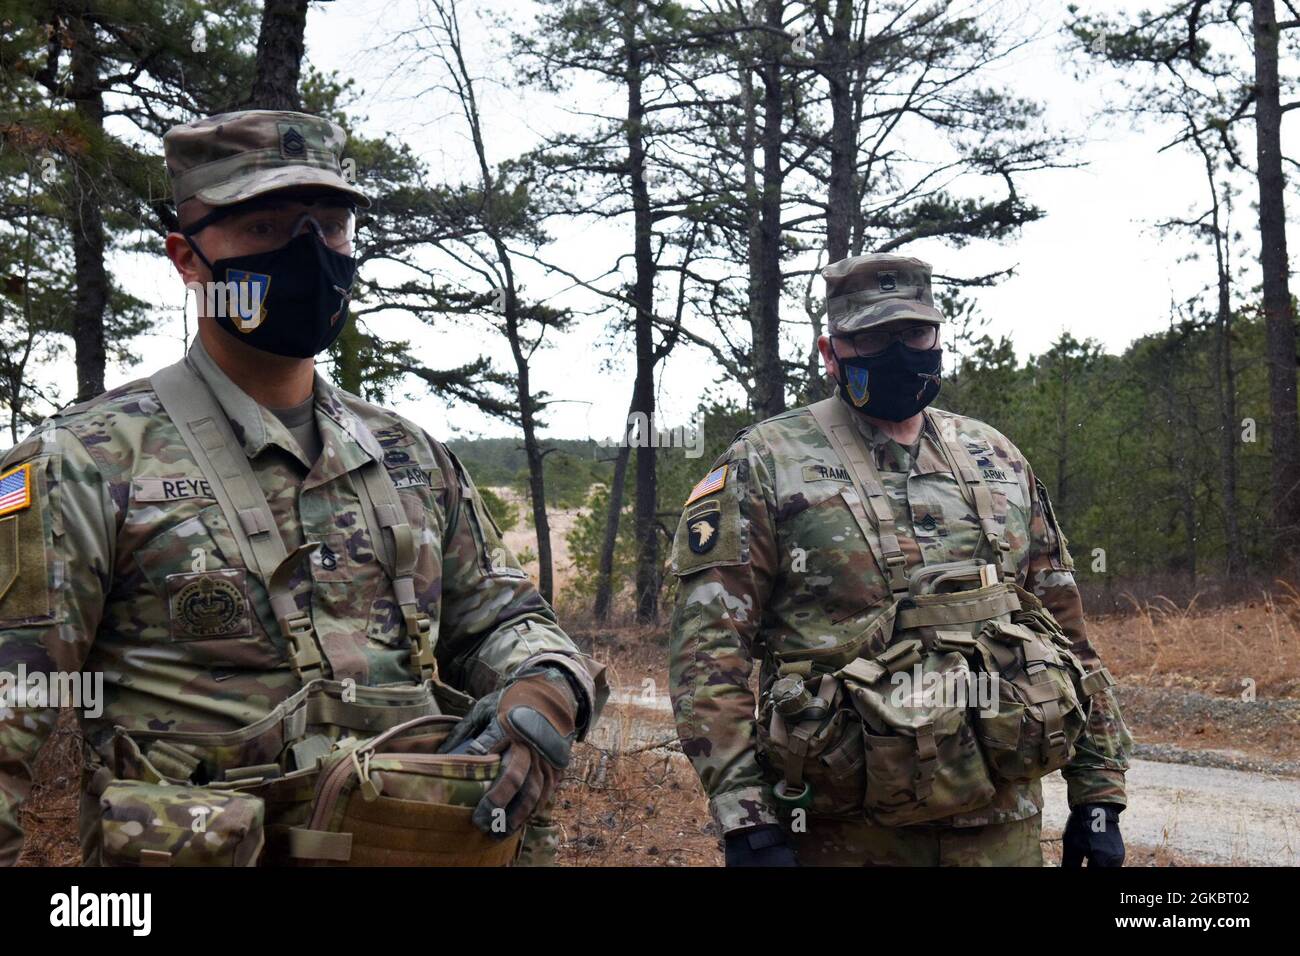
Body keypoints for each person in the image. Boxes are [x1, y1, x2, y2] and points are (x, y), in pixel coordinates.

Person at [0, 109, 605, 866]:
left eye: (329, 225)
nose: (310, 253)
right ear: (188, 259)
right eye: (267, 229)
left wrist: (543, 687)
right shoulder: (84, 461)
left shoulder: (408, 453)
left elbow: (501, 618)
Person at [667, 253, 1131, 866]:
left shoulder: (996, 457)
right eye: (871, 338)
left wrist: (1098, 794)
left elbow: (1066, 634)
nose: (899, 351)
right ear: (830, 352)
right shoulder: (767, 462)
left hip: (1002, 829)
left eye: (913, 333)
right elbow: (709, 653)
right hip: (838, 833)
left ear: (937, 334)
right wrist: (746, 818)